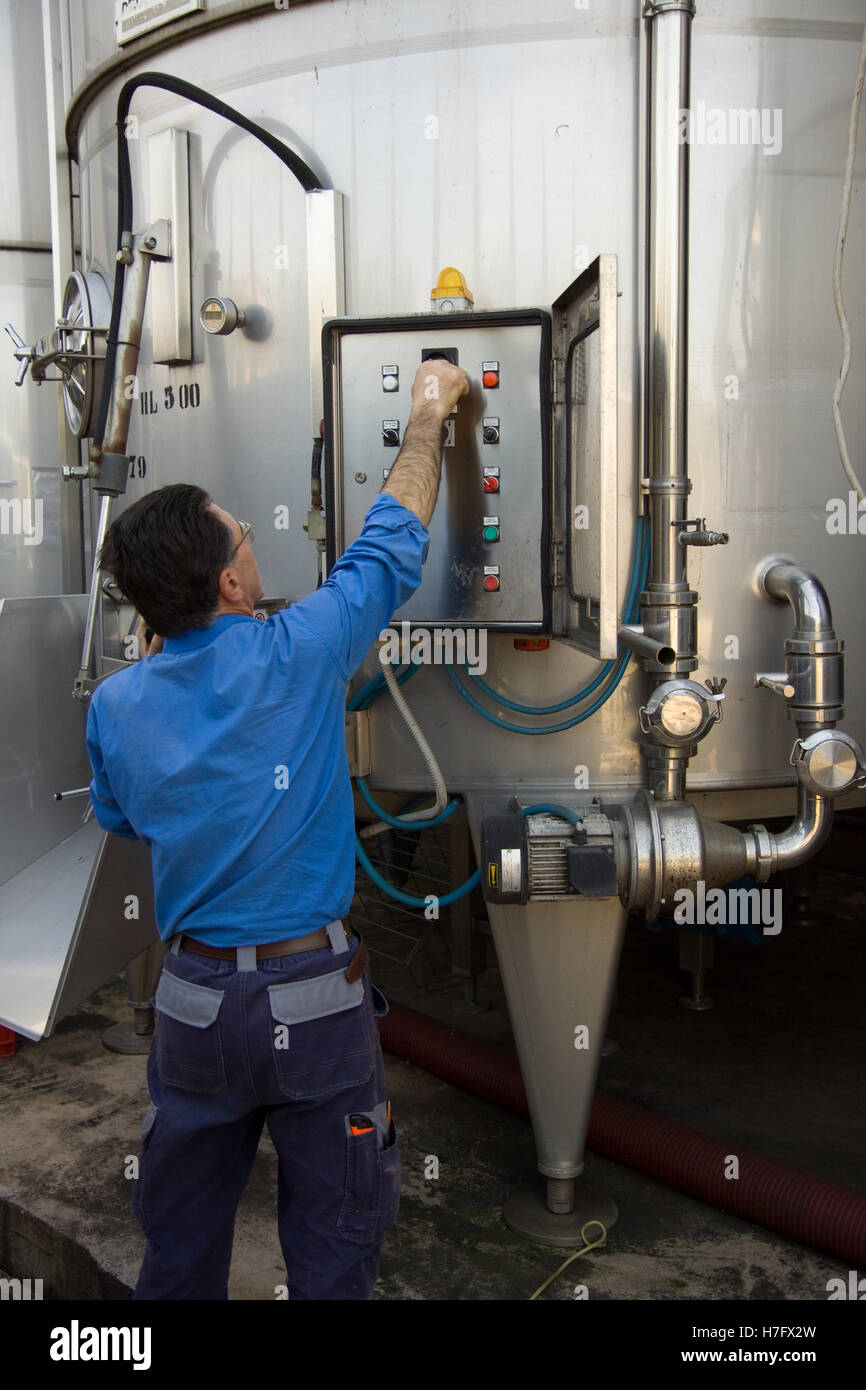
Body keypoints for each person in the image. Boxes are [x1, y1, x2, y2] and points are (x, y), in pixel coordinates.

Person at [85, 357, 470, 1300]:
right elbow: (392, 538)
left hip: (190, 1003)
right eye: (245, 536)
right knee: (335, 1244)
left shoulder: (116, 703)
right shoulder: (301, 649)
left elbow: (122, 815)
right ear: (227, 581)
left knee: (177, 1246)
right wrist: (430, 410)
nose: (256, 544)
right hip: (313, 999)